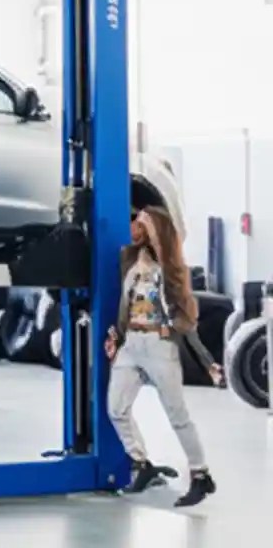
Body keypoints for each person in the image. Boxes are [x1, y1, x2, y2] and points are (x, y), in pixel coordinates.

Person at [105, 206, 217, 507]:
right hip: (132, 344)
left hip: (159, 344)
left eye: (143, 224)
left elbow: (186, 315)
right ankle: (141, 463)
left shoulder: (170, 268)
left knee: (177, 414)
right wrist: (117, 336)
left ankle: (201, 474)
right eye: (136, 222)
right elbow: (125, 304)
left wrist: (176, 333)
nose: (136, 227)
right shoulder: (130, 260)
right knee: (116, 408)